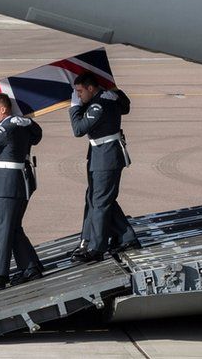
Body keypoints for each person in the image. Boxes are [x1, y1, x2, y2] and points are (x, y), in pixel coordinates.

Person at [0, 94, 45, 290]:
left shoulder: (6, 127)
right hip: (21, 180)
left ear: (4, 109)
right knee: (13, 227)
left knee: (3, 227)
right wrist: (28, 120)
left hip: (9, 182)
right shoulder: (23, 124)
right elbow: (37, 135)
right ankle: (30, 267)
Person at [68, 73, 140, 263]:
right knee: (101, 198)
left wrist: (75, 108)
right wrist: (114, 91)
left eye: (80, 91)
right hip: (102, 155)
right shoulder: (108, 97)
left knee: (100, 202)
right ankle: (127, 238)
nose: (78, 95)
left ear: (91, 88)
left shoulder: (98, 106)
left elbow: (78, 129)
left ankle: (96, 248)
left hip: (105, 158)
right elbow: (125, 106)